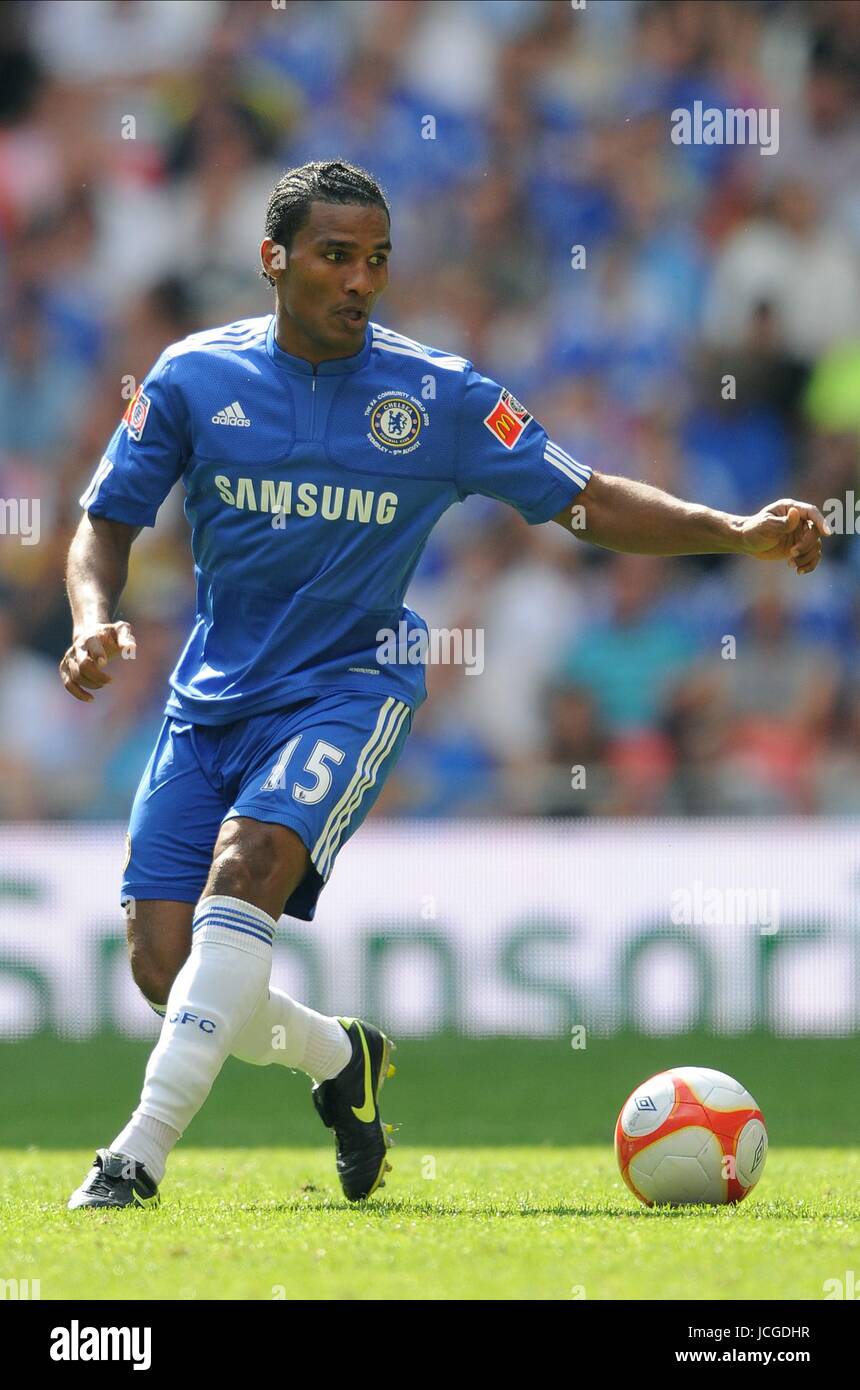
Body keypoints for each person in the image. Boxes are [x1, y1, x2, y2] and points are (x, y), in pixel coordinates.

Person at [59, 160, 828, 1210]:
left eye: (376, 259)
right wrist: (93, 616)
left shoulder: (439, 396)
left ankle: (133, 1157)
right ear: (272, 261)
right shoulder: (193, 379)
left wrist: (729, 531)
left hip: (349, 684)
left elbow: (587, 500)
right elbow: (104, 524)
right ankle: (340, 1061)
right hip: (209, 703)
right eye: (336, 256)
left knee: (249, 869)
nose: (360, 279)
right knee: (163, 966)